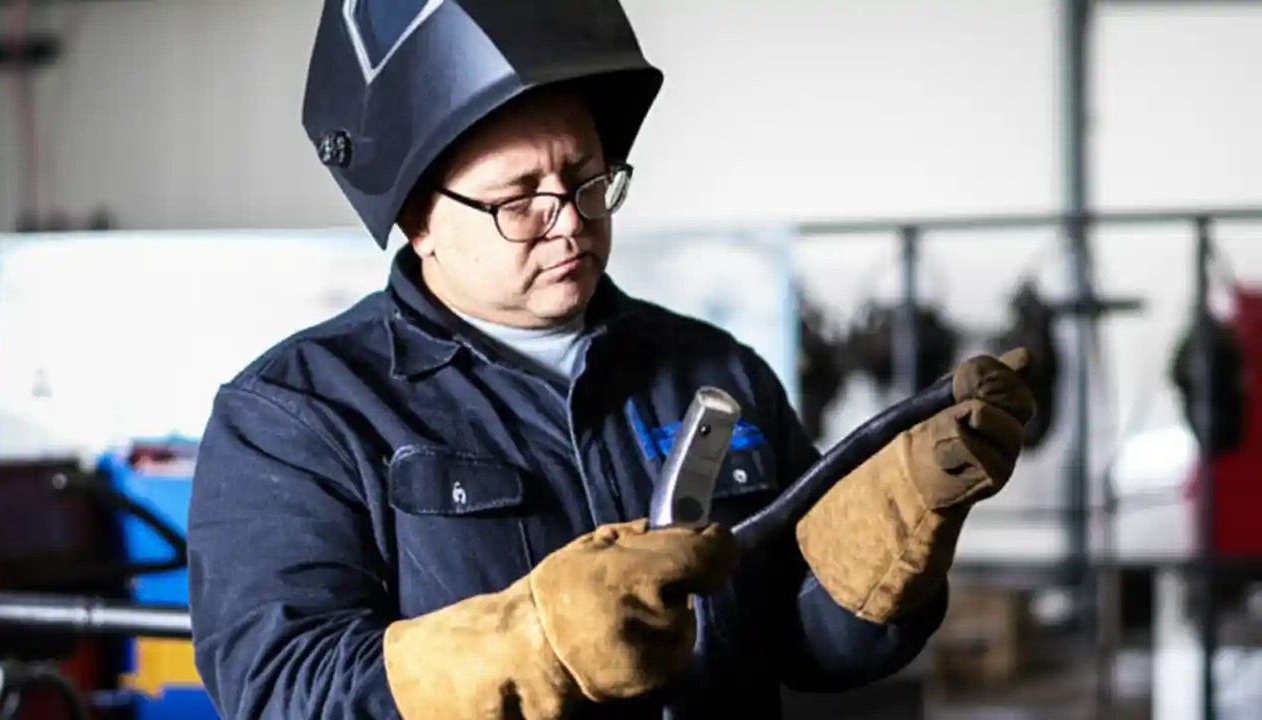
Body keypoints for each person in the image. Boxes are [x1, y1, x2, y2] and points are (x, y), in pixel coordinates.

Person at [185, 2, 1037, 718]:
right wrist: (537, 644)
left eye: (588, 180)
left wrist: (898, 529)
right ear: (417, 218)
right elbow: (280, 688)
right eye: (520, 199)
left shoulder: (711, 368)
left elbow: (809, 648)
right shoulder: (299, 417)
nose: (570, 221)